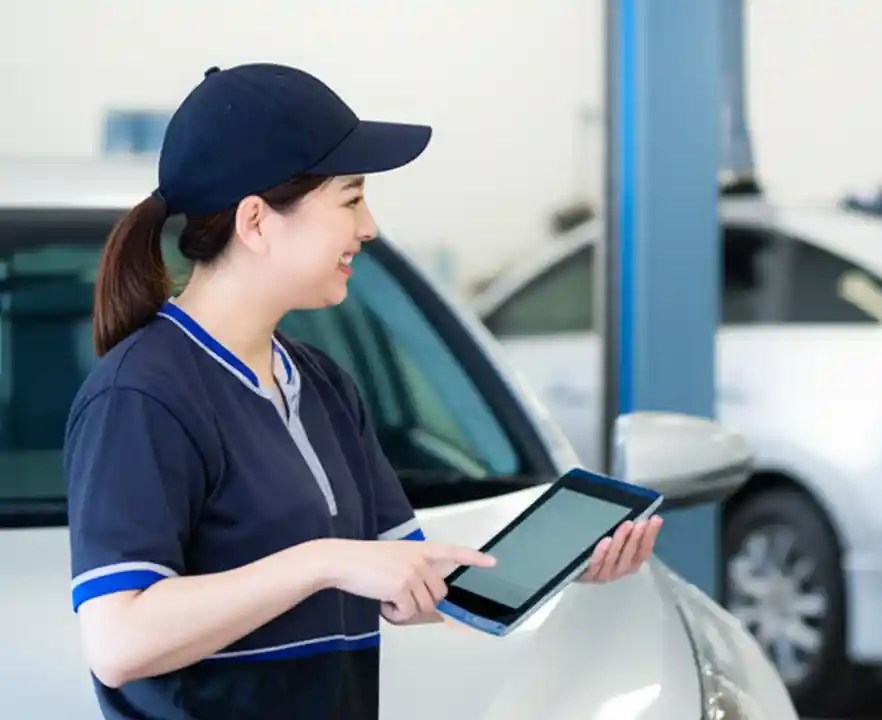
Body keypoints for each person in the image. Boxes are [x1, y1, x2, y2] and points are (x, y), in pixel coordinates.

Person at [64, 63, 663, 720]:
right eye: (351, 199)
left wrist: (559, 567)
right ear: (257, 222)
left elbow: (406, 583)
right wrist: (322, 562)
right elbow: (119, 639)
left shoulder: (321, 385)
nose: (369, 226)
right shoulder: (141, 396)